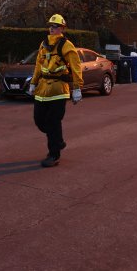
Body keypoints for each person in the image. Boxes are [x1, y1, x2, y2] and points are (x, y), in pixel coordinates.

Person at [28, 13, 83, 168]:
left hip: (59, 89)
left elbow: (76, 68)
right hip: (42, 89)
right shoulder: (43, 44)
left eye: (56, 26)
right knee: (39, 120)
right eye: (51, 26)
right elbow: (38, 65)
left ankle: (54, 154)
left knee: (53, 122)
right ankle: (58, 140)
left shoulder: (67, 45)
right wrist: (33, 82)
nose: (52, 28)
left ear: (62, 28)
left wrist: (77, 88)